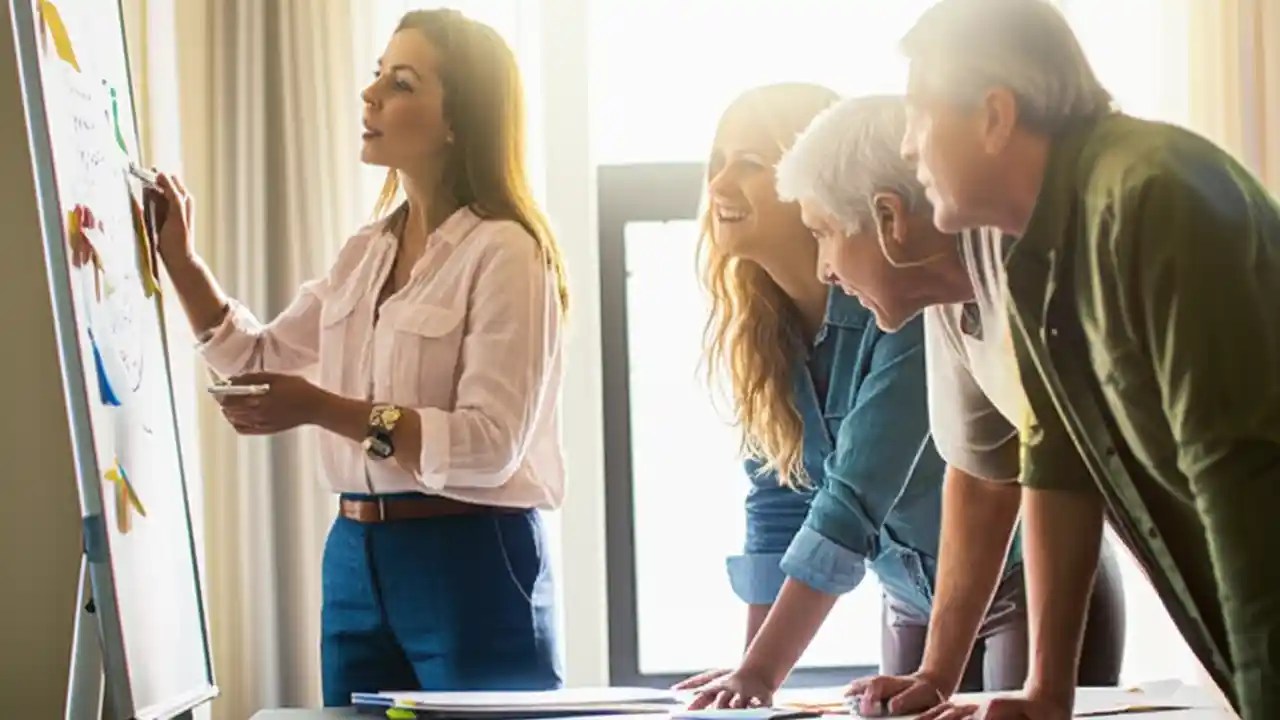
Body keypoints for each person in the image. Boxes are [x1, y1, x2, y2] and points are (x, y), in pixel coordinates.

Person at [147, 9, 568, 705]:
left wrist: (319, 407)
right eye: (376, 76)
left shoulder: (508, 252)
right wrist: (182, 262)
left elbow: (489, 446)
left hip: (471, 554)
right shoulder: (365, 251)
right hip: (353, 554)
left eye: (400, 83)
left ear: (460, 119)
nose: (370, 96)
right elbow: (253, 358)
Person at [886, 0, 1278, 717]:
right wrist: (1045, 694)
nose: (908, 148)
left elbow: (1246, 484)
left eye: (918, 113)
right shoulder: (1027, 247)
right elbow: (1058, 463)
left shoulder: (1153, 196)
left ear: (995, 116)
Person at [676, 82, 1033, 711]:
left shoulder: (908, 303)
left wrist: (761, 672)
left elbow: (852, 502)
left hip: (1017, 585)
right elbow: (778, 505)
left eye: (751, 164)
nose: (719, 185)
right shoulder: (765, 334)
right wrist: (749, 678)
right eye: (716, 163)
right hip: (909, 594)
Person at [772, 93, 1127, 720]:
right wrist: (936, 674)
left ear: (889, 218)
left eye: (823, 234)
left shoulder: (1025, 268)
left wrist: (1045, 691)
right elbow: (979, 475)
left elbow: (1055, 473)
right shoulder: (942, 300)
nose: (825, 269)